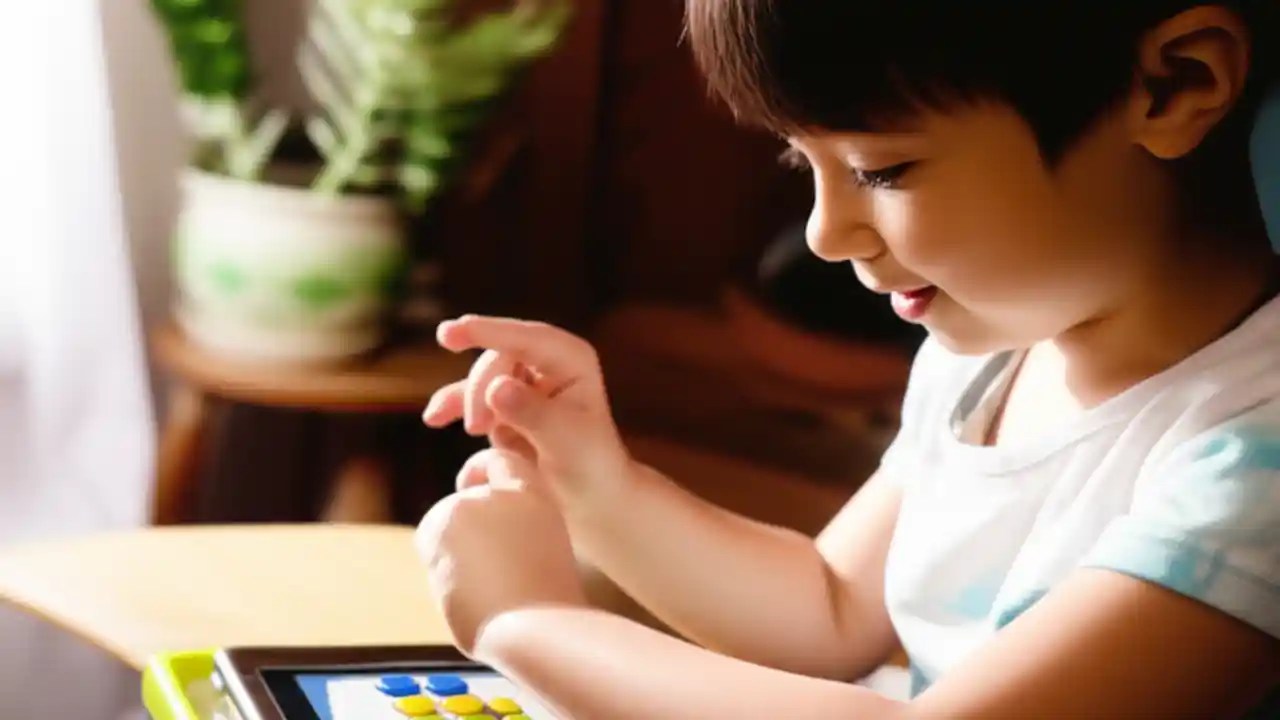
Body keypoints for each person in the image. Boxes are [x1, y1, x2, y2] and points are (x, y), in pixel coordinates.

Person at [415, 2, 1280, 716]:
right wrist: (596, 485)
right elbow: (828, 609)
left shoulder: (1254, 460)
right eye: (805, 160)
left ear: (1174, 86)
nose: (826, 233)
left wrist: (527, 621)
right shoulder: (994, 355)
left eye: (884, 168)